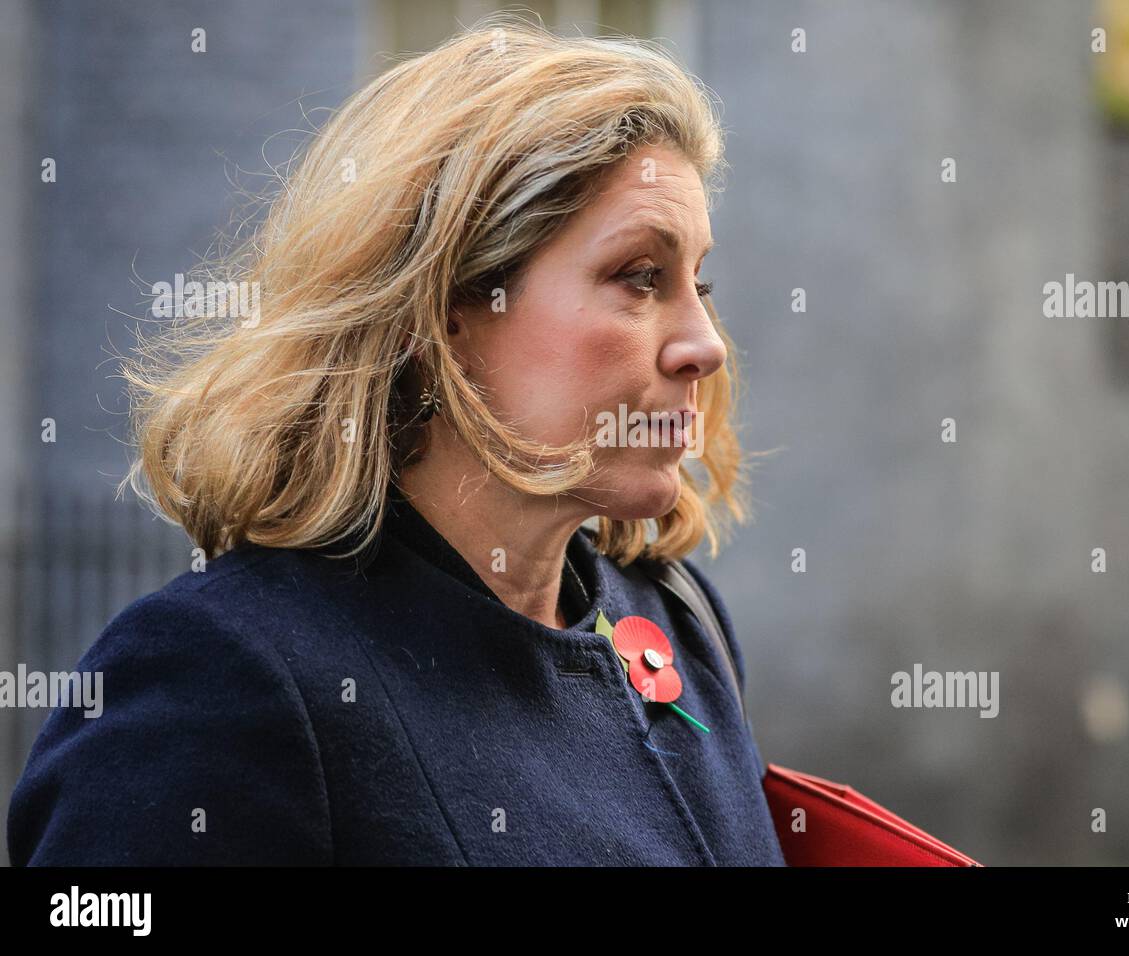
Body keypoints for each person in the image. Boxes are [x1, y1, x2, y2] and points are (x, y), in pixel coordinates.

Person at [6, 15, 784, 866]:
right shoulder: (222, 680)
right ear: (443, 316)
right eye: (640, 277)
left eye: (697, 282)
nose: (705, 342)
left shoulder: (676, 620)